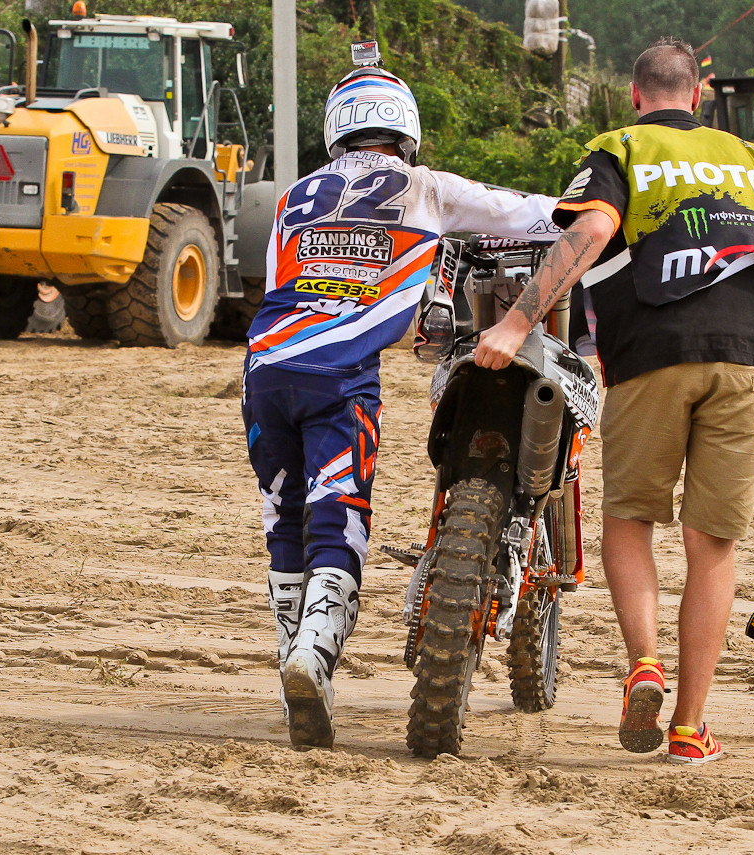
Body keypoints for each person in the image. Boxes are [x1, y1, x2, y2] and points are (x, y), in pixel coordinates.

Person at [474, 37, 754, 765]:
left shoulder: (620, 147)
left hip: (649, 359)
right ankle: (691, 729)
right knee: (712, 547)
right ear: (697, 95)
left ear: (636, 96)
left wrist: (515, 322)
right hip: (750, 367)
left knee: (630, 518)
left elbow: (593, 229)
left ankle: (643, 663)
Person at [242, 64, 559, 750]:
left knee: (282, 517)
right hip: (340, 375)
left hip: (264, 368)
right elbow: (538, 214)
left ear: (336, 128)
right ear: (405, 128)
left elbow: (277, 281)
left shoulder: (293, 196)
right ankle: (314, 655)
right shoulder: (427, 188)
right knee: (338, 512)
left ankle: (293, 664)